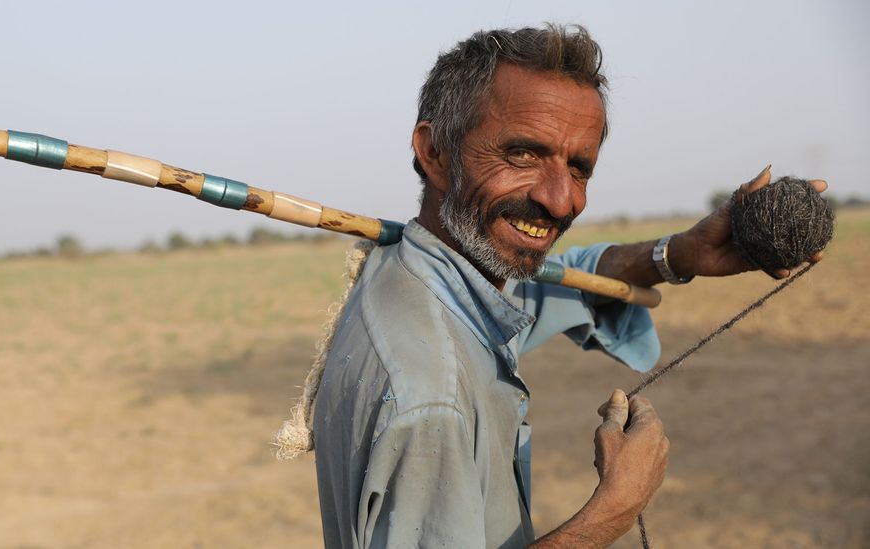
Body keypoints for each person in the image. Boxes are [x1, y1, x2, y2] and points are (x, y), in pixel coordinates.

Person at [312, 24, 825, 548]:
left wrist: (680, 254)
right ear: (435, 152)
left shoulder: (426, 283)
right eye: (523, 154)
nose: (561, 201)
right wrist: (615, 508)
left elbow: (557, 282)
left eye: (579, 167)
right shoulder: (430, 393)